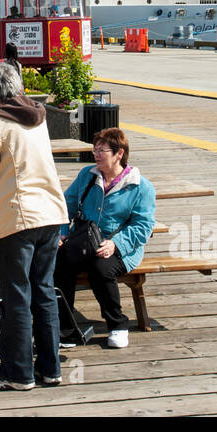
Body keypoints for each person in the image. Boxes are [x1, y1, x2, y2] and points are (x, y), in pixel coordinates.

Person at [0, 62, 68, 390]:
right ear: (19, 89)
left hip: (17, 217)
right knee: (44, 291)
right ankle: (51, 368)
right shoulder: (38, 117)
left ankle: (18, 373)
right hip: (50, 213)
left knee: (17, 294)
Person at [55, 127, 156, 349]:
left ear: (119, 153)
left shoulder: (140, 186)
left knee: (101, 268)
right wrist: (62, 232)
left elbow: (143, 226)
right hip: (83, 241)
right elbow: (65, 206)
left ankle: (117, 325)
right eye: (95, 150)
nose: (96, 154)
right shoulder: (87, 175)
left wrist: (115, 244)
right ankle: (66, 328)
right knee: (60, 264)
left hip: (120, 247)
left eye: (102, 150)